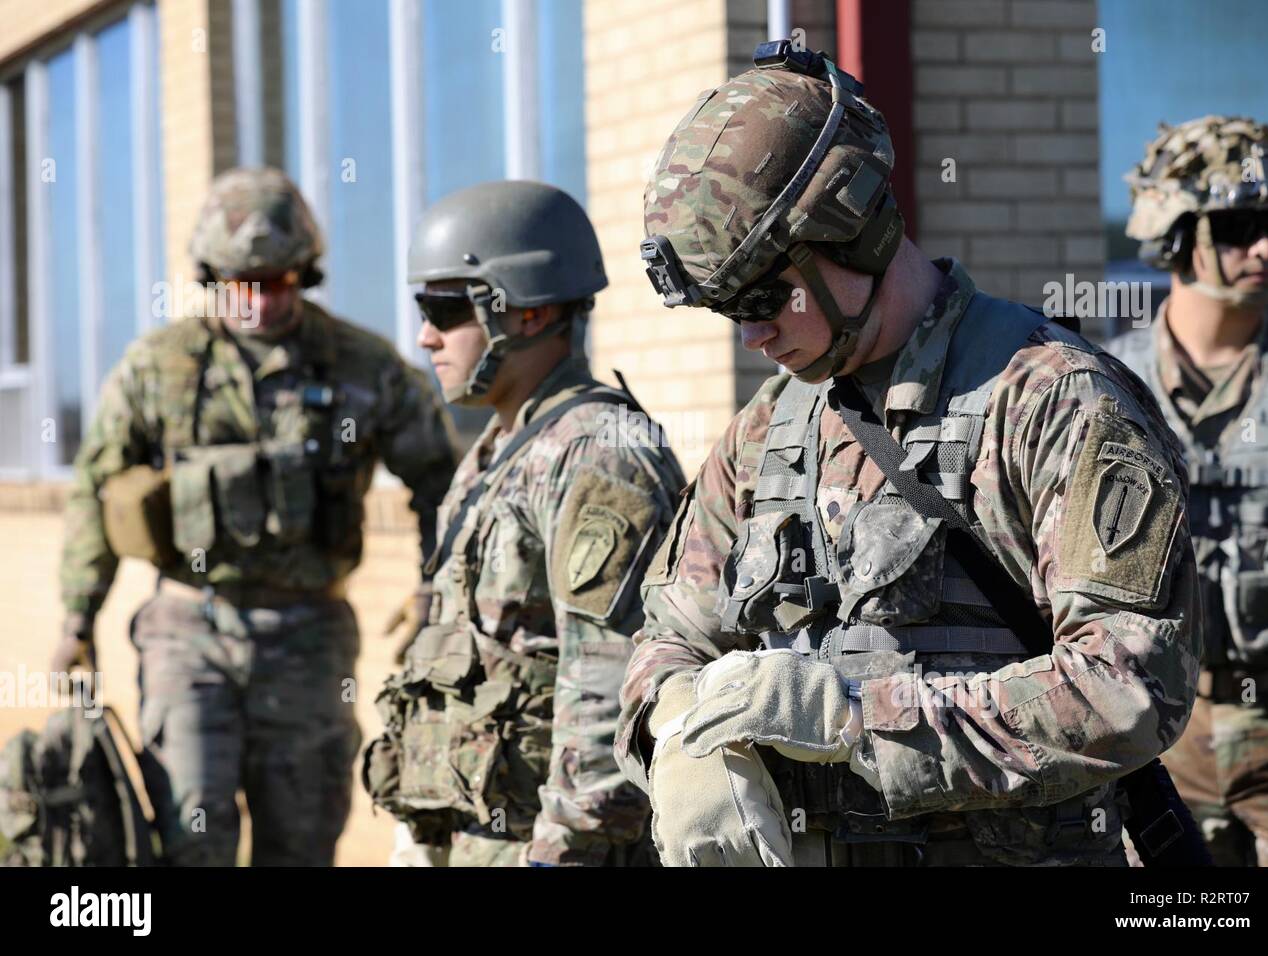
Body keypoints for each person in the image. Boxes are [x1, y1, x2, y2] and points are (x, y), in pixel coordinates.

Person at [615, 40, 1202, 866]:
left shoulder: (1050, 400)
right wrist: (680, 733)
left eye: (761, 293)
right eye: (725, 309)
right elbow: (668, 633)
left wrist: (856, 715)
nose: (750, 334)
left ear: (847, 228)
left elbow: (1133, 689)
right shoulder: (765, 431)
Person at [53, 166, 460, 866]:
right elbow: (98, 488)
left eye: (278, 281)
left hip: (309, 639)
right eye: (243, 283)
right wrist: (76, 619)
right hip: (188, 631)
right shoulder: (159, 368)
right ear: (211, 277)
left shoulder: (362, 366)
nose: (261, 300)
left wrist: (437, 586)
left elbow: (443, 480)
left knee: (301, 841)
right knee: (191, 831)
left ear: (304, 273)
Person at [363, 180, 686, 866]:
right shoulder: (499, 447)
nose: (424, 336)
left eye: (445, 309)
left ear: (530, 314)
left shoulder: (602, 453)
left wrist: (562, 852)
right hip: (477, 831)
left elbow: (609, 691)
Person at [1108, 116, 1268, 866]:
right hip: (1158, 742)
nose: (1267, 249)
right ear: (1175, 234)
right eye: (1241, 227)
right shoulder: (1104, 384)